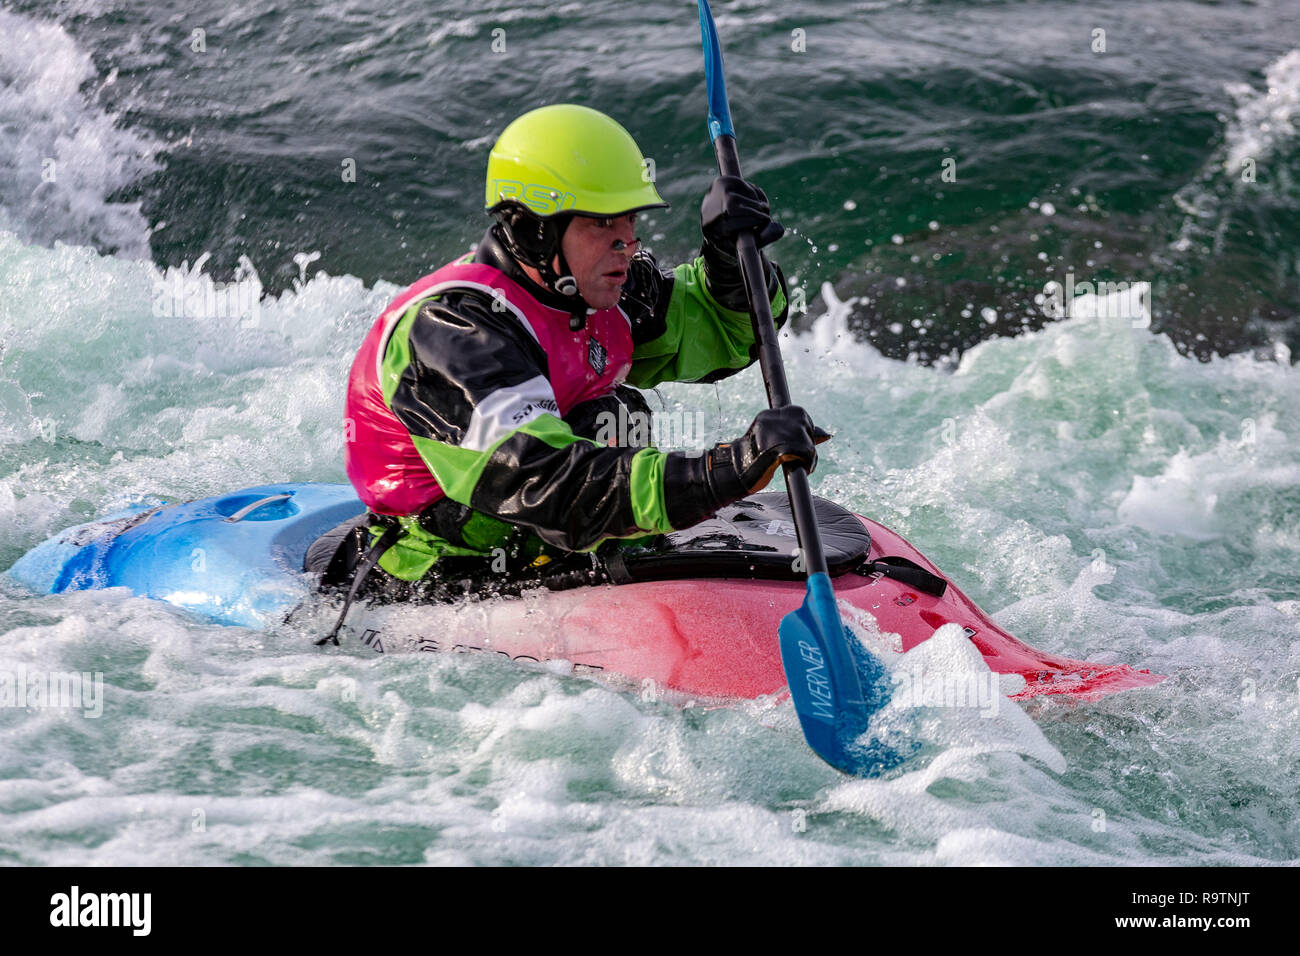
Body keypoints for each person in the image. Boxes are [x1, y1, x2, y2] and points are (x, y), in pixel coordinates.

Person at [326, 103, 826, 609]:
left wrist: (729, 262)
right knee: (606, 420)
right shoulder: (451, 334)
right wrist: (721, 473)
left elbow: (725, 335)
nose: (627, 243)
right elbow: (544, 483)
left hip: (547, 537)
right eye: (602, 222)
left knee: (615, 416)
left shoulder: (599, 287)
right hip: (434, 572)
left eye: (630, 220)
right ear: (534, 228)